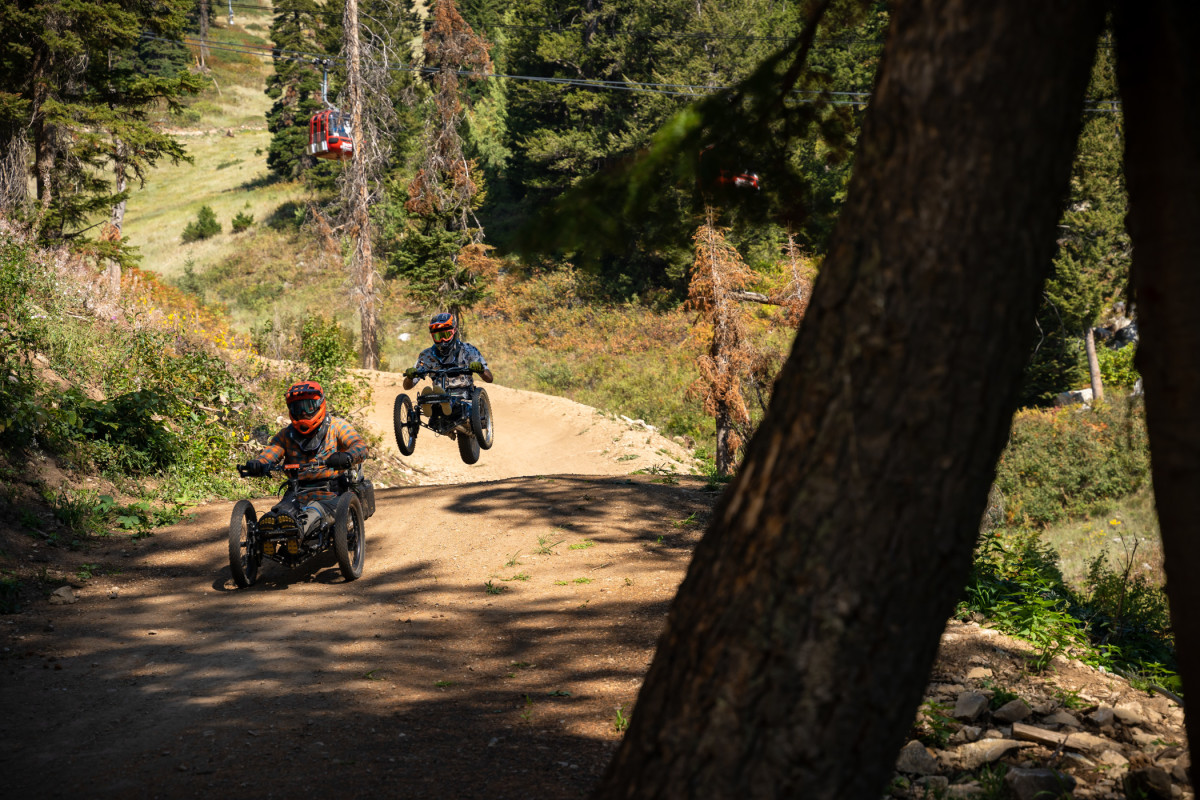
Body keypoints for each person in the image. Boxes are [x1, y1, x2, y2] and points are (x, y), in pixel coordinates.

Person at [241, 380, 368, 536]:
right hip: (296, 493)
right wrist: (258, 464)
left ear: (320, 404)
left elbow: (360, 446)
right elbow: (271, 452)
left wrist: (347, 456)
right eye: (297, 408)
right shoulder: (286, 434)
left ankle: (298, 534)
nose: (303, 413)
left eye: (308, 406)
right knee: (277, 516)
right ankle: (267, 538)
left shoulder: (337, 426)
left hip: (331, 494)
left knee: (312, 515)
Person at [402, 314, 492, 423]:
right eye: (438, 337)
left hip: (465, 398)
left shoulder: (468, 350)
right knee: (435, 401)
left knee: (461, 407)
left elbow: (489, 378)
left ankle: (441, 403)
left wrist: (481, 370)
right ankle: (432, 402)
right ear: (433, 337)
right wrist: (410, 377)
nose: (442, 340)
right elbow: (407, 386)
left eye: (446, 335)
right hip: (439, 399)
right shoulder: (427, 355)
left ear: (454, 332)